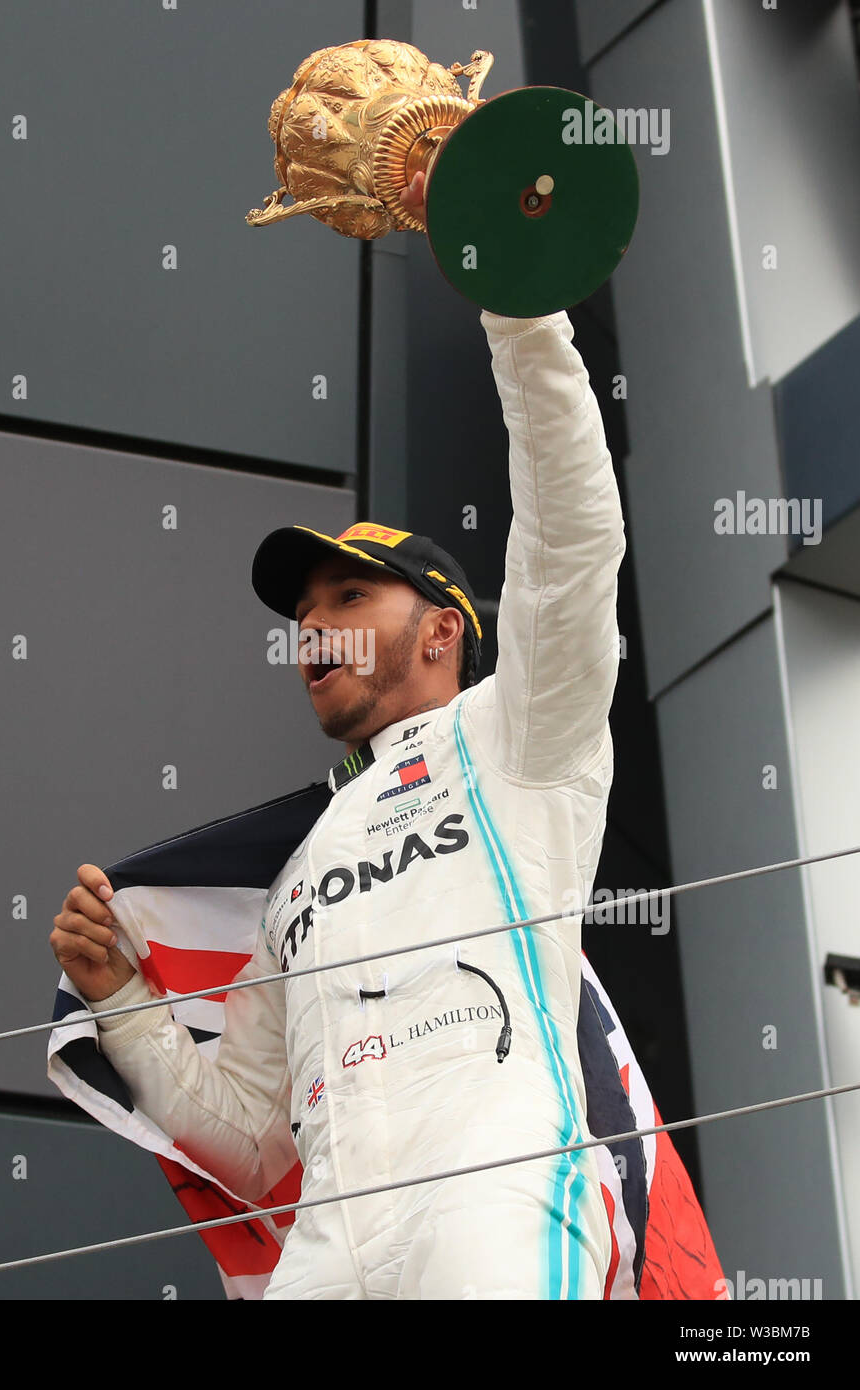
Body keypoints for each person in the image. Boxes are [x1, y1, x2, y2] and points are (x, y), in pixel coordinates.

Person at [49, 173, 626, 1299]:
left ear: (443, 634)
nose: (311, 628)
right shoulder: (299, 869)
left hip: (493, 1184)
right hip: (326, 1241)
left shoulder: (520, 733)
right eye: (301, 614)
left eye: (348, 601)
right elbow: (256, 1143)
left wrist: (513, 297)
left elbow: (569, 538)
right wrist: (124, 1001)